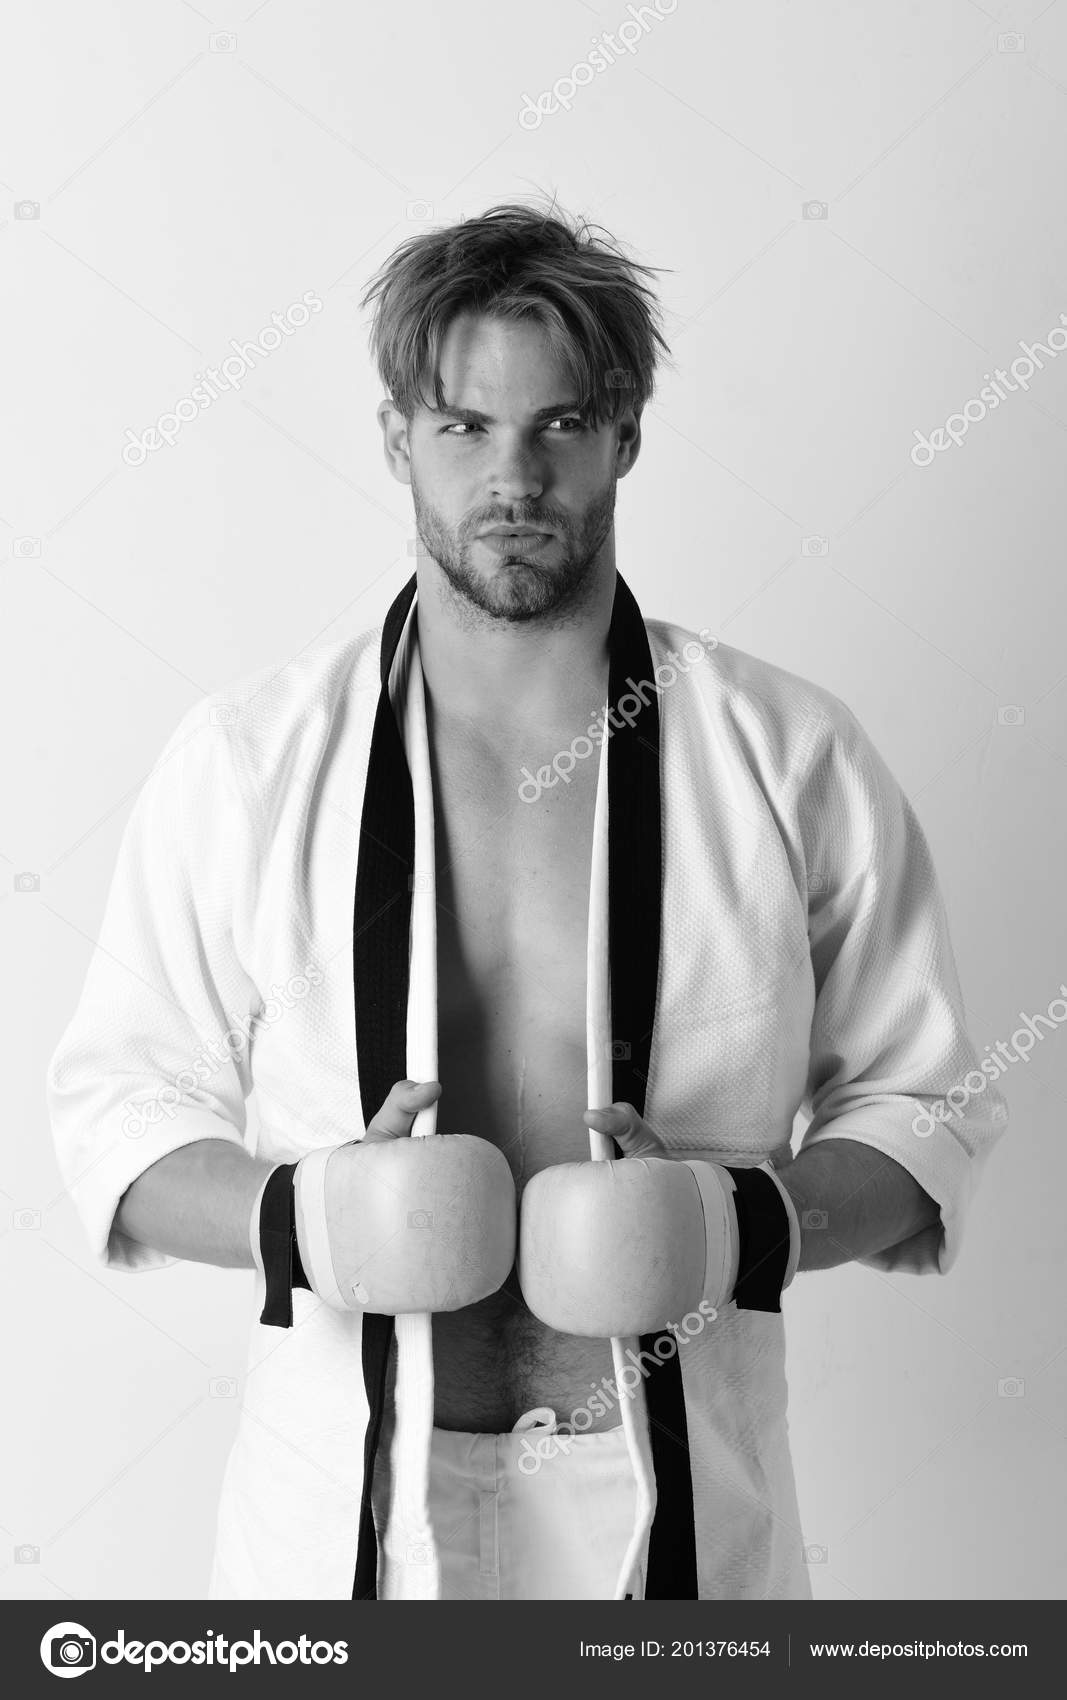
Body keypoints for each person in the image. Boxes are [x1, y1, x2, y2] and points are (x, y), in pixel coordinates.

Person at [46, 201, 1008, 1601]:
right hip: (346, 1513)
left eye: (559, 425)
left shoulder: (789, 754)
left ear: (623, 432)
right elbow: (113, 1114)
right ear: (396, 442)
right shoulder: (248, 761)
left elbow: (930, 1105)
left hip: (675, 1500)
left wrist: (739, 1225)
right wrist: (306, 1220)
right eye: (463, 427)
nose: (515, 475)